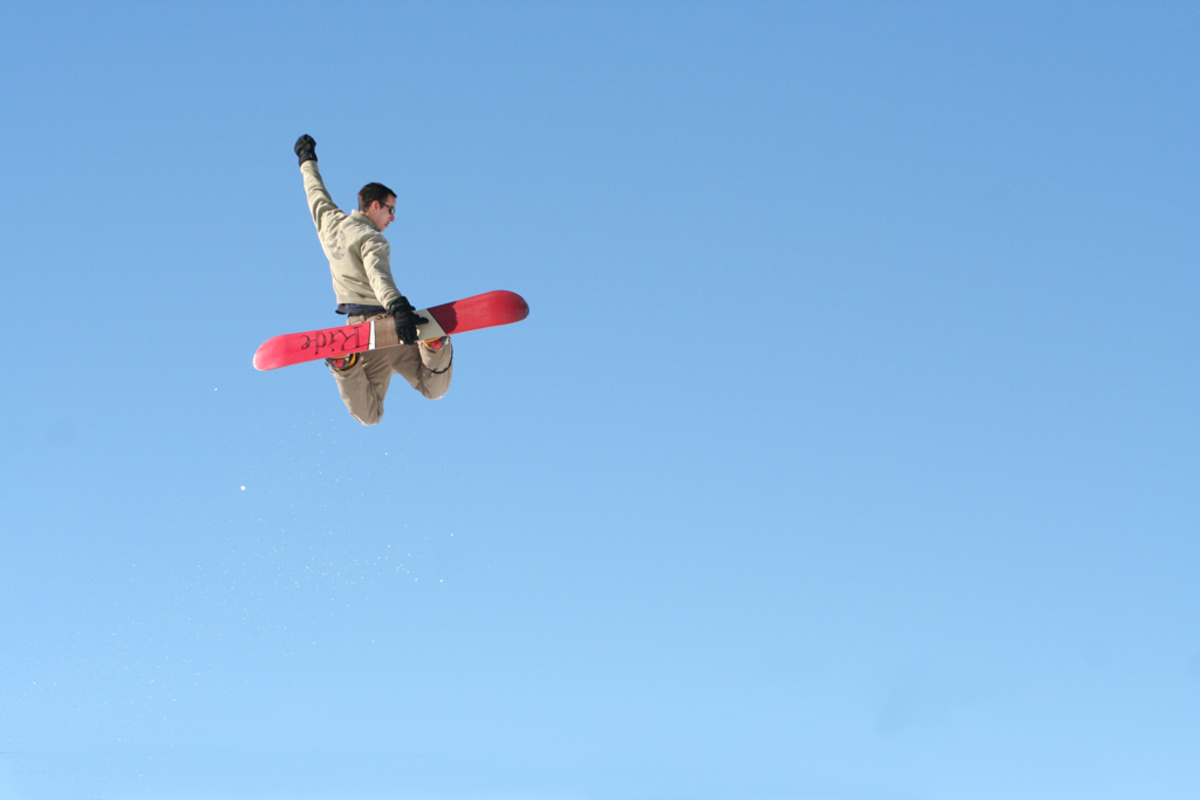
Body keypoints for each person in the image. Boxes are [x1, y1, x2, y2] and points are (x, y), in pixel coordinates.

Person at [294, 134, 452, 426]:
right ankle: (433, 346)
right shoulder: (372, 238)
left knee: (369, 416)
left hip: (362, 336)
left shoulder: (330, 223)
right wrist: (399, 307)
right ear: (376, 206)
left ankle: (344, 364)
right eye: (391, 210)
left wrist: (306, 161)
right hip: (395, 326)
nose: (392, 218)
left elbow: (315, 193)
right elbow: (378, 274)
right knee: (434, 390)